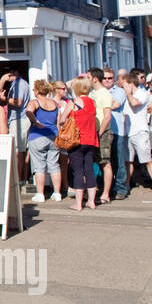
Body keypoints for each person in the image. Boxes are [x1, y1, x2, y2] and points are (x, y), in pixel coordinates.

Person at [25, 79, 68, 202]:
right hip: (53, 136)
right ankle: (57, 193)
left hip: (37, 136)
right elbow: (58, 122)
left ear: (37, 91)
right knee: (54, 165)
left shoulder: (35, 102)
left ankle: (40, 194)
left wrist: (35, 121)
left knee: (39, 166)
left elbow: (28, 111)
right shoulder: (54, 103)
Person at [123, 71, 152, 195]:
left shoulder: (142, 93)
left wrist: (129, 94)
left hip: (140, 131)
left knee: (146, 160)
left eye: (125, 85)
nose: (123, 87)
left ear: (131, 84)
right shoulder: (125, 95)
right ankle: (127, 185)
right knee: (128, 161)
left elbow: (135, 104)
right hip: (127, 132)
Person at [66, 77, 100, 211]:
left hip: (77, 140)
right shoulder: (93, 102)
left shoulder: (74, 102)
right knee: (89, 170)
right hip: (91, 140)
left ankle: (78, 203)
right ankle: (91, 201)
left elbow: (63, 118)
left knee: (78, 171)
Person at [88, 68, 114, 205]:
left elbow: (107, 116)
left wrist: (100, 132)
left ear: (94, 78)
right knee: (94, 161)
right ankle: (95, 190)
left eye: (88, 77)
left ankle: (106, 194)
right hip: (92, 131)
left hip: (102, 132)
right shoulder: (93, 93)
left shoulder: (104, 94)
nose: (87, 79)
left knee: (105, 162)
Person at [2, 69, 32, 184]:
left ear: (14, 73)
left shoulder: (19, 84)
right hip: (20, 119)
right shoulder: (19, 84)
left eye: (9, 73)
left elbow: (18, 102)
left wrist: (5, 99)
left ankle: (18, 179)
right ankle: (22, 178)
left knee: (18, 151)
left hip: (19, 120)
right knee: (22, 151)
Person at [106, 68, 130, 201]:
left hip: (117, 130)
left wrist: (101, 102)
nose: (107, 80)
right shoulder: (96, 92)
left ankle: (121, 188)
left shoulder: (119, 91)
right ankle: (106, 188)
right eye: (105, 78)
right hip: (102, 131)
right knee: (105, 162)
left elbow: (115, 105)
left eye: (110, 78)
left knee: (119, 161)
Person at [51, 79, 75, 198]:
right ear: (56, 90)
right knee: (60, 161)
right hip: (59, 134)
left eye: (66, 88)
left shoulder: (67, 101)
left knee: (67, 161)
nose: (65, 90)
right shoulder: (52, 102)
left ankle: (66, 184)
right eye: (63, 89)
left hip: (69, 133)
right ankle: (63, 185)